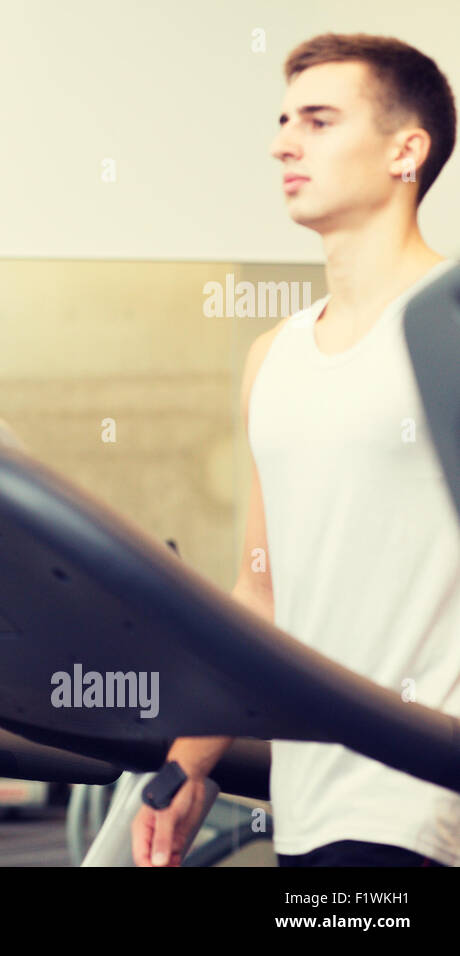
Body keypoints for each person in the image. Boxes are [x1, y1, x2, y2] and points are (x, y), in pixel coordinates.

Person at [133, 33, 459, 868]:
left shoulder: (449, 327)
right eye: (284, 121)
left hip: (424, 798)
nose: (283, 142)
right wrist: (189, 763)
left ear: (406, 150)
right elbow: (260, 586)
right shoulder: (272, 358)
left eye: (318, 120)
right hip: (308, 801)